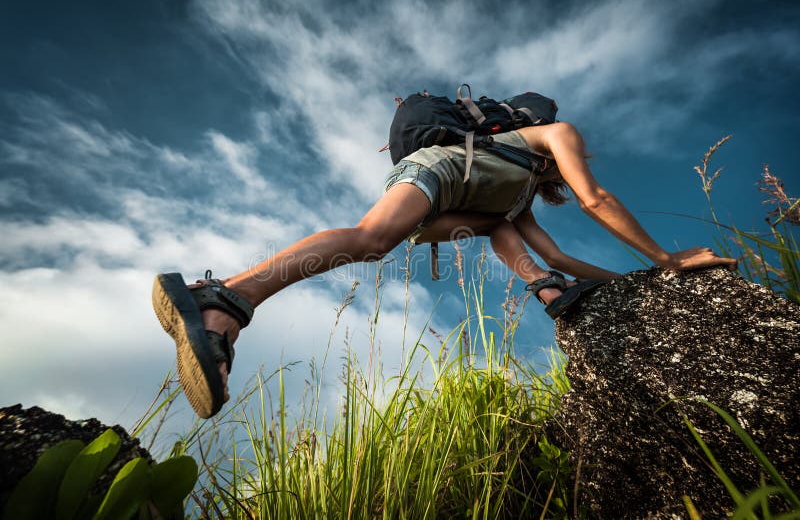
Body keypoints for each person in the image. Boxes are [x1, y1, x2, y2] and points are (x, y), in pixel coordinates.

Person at [153, 121, 737, 418]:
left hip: (452, 203)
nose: (575, 161)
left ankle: (543, 289)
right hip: (436, 172)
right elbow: (595, 199)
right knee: (372, 238)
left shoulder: (518, 196)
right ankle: (225, 298)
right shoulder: (554, 133)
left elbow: (559, 254)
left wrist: (646, 283)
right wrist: (667, 258)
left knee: (501, 232)